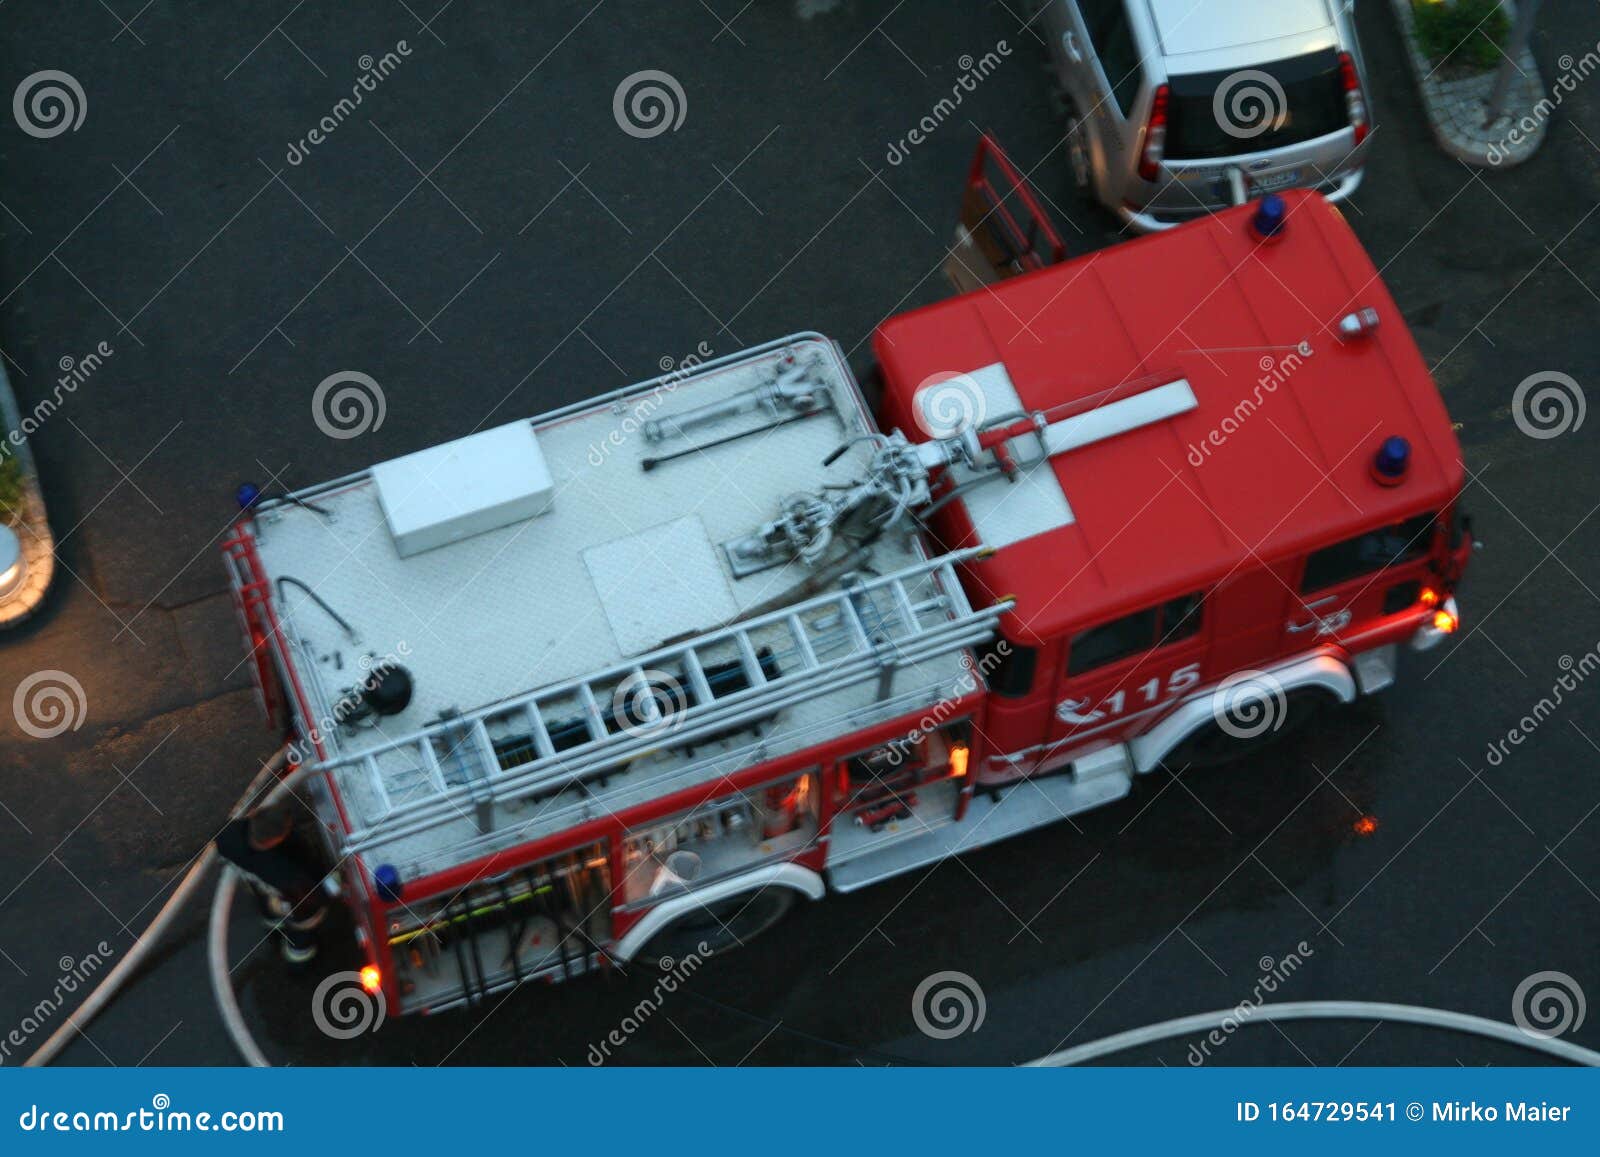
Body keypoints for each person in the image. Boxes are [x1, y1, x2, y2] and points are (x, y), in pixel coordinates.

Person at [215, 800, 329, 966]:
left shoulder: (228, 836)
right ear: (275, 840)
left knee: (269, 909)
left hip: (263, 892)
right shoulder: (290, 876)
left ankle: (274, 928)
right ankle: (299, 960)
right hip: (294, 904)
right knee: (303, 930)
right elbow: (313, 901)